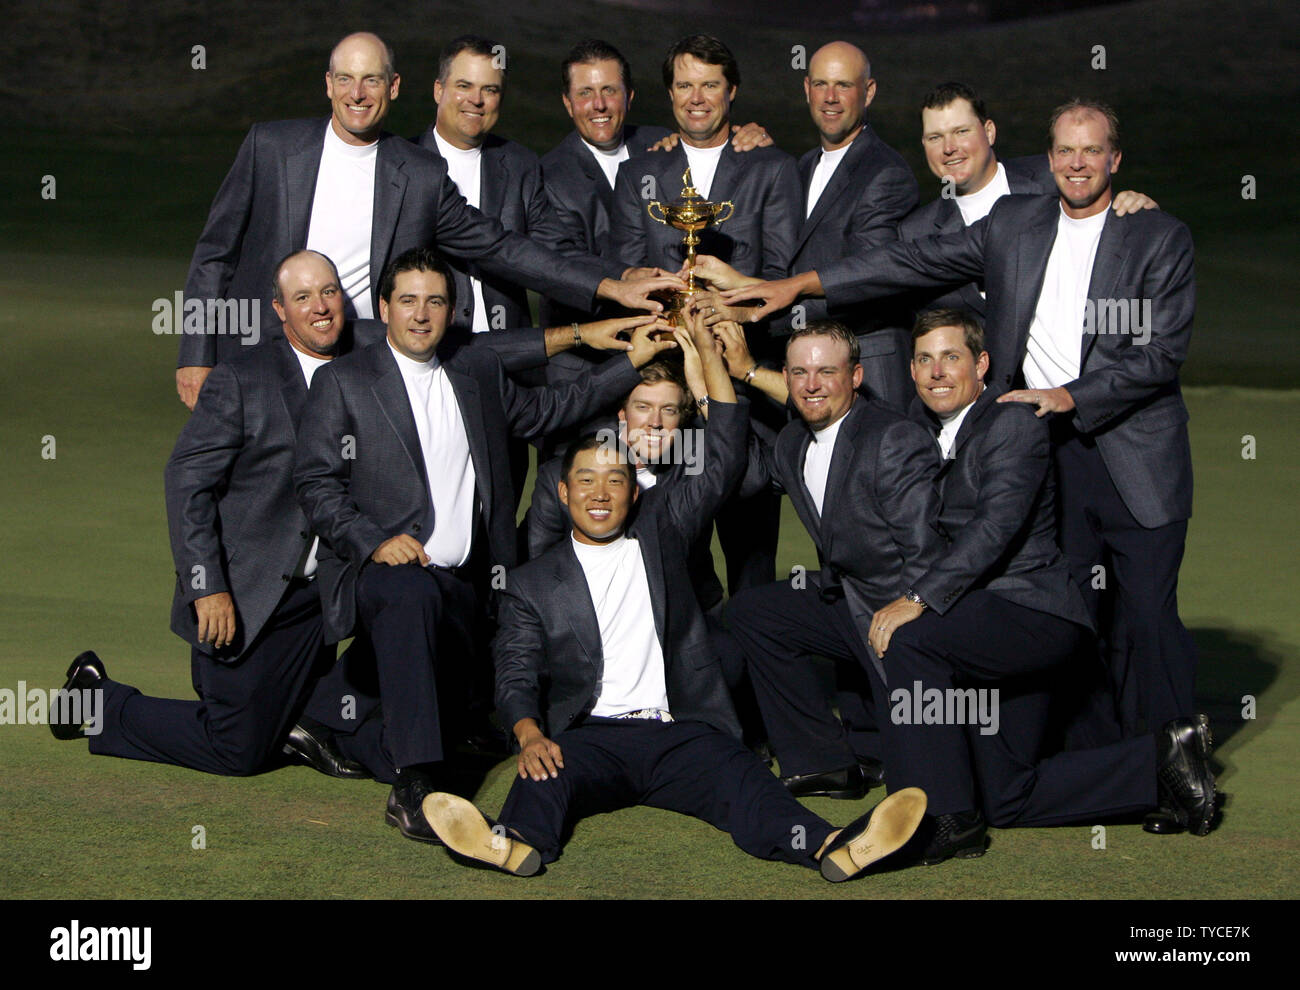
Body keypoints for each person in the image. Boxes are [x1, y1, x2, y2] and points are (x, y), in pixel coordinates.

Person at [724, 103, 1200, 789]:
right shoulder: (1014, 224)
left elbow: (1160, 352)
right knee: (1075, 613)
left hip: (1132, 452)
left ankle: (1178, 765)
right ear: (1049, 158)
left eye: (1092, 151)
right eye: (1066, 151)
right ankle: (1115, 761)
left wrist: (1071, 395)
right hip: (1043, 445)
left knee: (1147, 614)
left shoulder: (1156, 235)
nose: (1077, 163)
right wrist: (795, 286)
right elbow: (907, 259)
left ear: (1115, 159)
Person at [419, 309, 928, 881]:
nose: (600, 493)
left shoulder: (666, 531)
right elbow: (514, 670)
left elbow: (725, 450)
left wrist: (706, 357)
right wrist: (529, 732)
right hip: (591, 735)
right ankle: (508, 842)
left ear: (634, 492)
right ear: (562, 493)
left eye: (615, 480)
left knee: (747, 782)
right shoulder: (534, 582)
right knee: (542, 775)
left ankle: (832, 844)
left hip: (680, 731)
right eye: (586, 481)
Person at [292, 248, 677, 845]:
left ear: (452, 311)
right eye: (408, 301)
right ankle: (416, 788)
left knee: (459, 713)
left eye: (435, 302)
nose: (422, 314)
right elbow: (316, 483)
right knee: (412, 599)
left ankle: (324, 718)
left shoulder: (474, 369)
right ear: (384, 307)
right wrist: (374, 541)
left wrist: (631, 363)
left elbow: (548, 411)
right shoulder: (344, 380)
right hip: (384, 572)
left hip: (471, 578)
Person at [867, 308, 1216, 861]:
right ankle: (1162, 759)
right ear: (910, 370)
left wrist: (916, 599)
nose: (936, 372)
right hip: (985, 625)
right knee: (1007, 797)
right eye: (925, 359)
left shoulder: (1010, 423)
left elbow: (995, 528)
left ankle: (944, 818)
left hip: (1034, 613)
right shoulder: (918, 427)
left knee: (911, 641)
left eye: (951, 357)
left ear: (981, 364)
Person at [176, 31, 681, 409]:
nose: (358, 93)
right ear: (328, 85)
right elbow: (215, 254)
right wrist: (196, 354)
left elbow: (502, 247)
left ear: (394, 87)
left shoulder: (417, 175)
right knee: (250, 500)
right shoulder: (271, 146)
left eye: (372, 80)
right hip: (262, 357)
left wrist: (610, 285)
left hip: (362, 366)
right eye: (346, 79)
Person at [54, 251, 388, 781]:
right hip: (252, 593)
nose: (320, 307)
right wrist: (206, 586)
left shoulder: (373, 356)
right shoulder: (243, 377)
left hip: (326, 592)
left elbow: (456, 344)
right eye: (302, 297)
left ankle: (314, 720)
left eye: (329, 292)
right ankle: (97, 701)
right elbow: (186, 481)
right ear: (280, 309)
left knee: (416, 600)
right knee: (238, 748)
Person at [726, 321, 941, 800]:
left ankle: (884, 747)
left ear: (856, 376)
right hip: (844, 597)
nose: (812, 385)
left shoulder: (892, 436)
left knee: (922, 780)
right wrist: (712, 384)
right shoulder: (792, 441)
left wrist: (910, 609)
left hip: (902, 606)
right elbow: (743, 477)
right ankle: (824, 763)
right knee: (752, 612)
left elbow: (927, 552)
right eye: (799, 373)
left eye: (826, 371)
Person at [694, 41, 917, 408]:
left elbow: (866, 283)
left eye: (843, 85)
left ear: (869, 92)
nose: (830, 97)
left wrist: (753, 309)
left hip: (866, 368)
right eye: (820, 84)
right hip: (802, 369)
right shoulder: (800, 168)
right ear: (806, 89)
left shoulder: (886, 173)